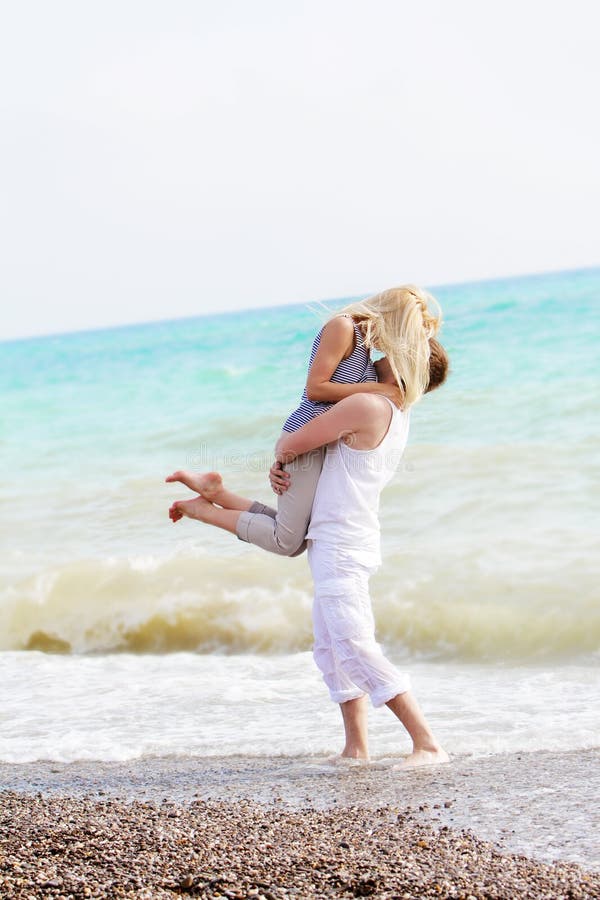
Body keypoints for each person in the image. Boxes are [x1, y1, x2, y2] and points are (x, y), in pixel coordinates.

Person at [166, 341, 450, 767]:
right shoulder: (387, 408)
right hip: (335, 534)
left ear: (404, 367)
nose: (383, 350)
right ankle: (356, 748)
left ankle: (427, 744)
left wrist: (282, 459)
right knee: (331, 648)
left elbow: (297, 438)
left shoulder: (371, 407)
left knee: (353, 644)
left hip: (341, 542)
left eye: (396, 349)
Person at [166, 285, 441, 557]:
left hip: (318, 438)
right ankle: (202, 510)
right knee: (286, 541)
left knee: (299, 537)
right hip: (305, 433)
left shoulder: (366, 349)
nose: (400, 344)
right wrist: (380, 390)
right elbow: (316, 389)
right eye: (405, 334)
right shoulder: (344, 328)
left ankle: (215, 492)